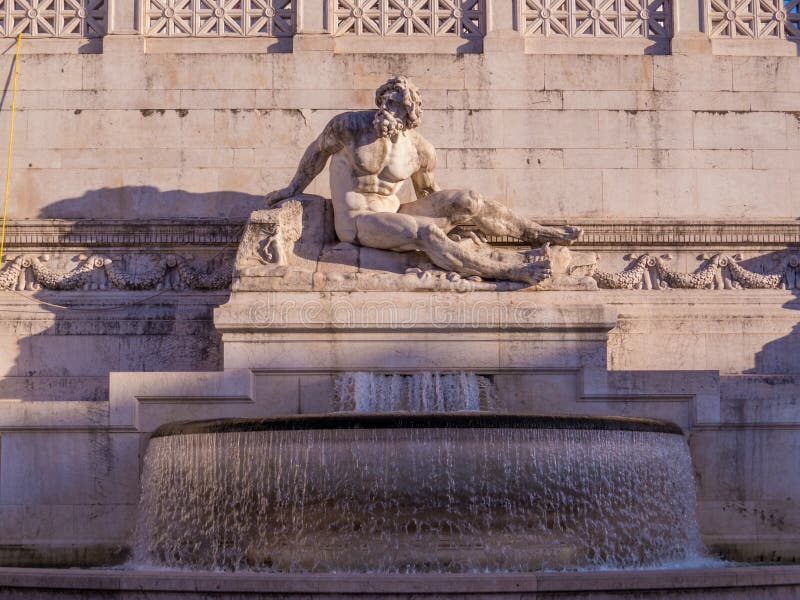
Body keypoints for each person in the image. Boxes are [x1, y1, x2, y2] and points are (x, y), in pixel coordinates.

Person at [266, 76, 581, 284]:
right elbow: (316, 153)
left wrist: (457, 222)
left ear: (409, 114)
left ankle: (536, 232)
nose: (386, 110)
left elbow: (429, 193)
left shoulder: (420, 149)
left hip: (395, 214)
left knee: (469, 199)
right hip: (358, 222)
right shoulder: (349, 125)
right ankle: (509, 272)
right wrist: (292, 188)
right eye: (385, 102)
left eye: (395, 106)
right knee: (427, 232)